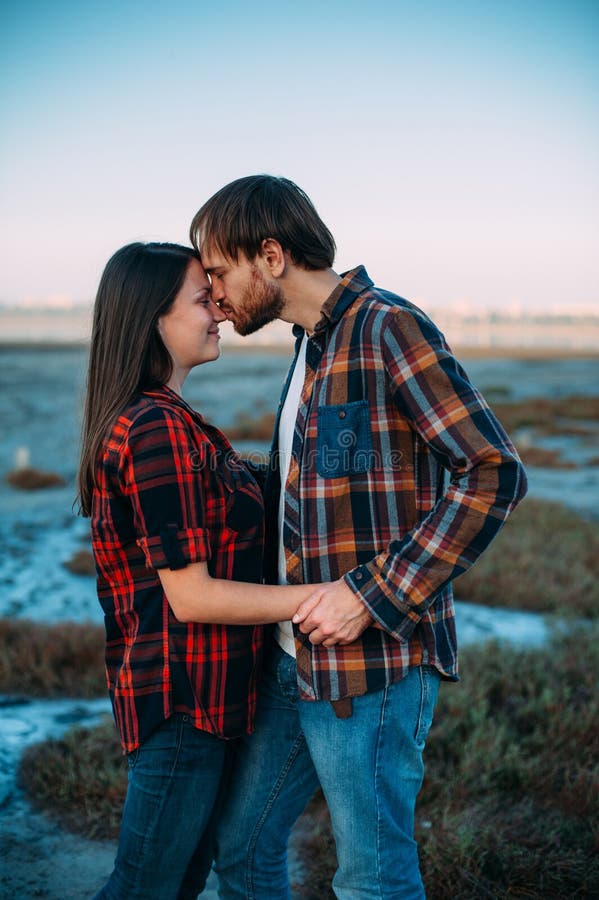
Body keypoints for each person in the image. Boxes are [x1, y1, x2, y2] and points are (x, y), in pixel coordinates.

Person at [190, 176, 528, 899]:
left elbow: (492, 472)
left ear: (271, 255)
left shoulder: (386, 327)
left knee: (372, 879)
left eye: (219, 271)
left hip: (373, 670)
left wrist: (368, 597)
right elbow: (322, 492)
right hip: (290, 663)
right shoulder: (309, 348)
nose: (213, 294)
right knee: (241, 848)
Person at [77, 241, 331, 900]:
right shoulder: (153, 429)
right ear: (150, 318)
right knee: (145, 888)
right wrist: (327, 596)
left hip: (206, 704)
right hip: (183, 704)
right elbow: (190, 597)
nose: (218, 308)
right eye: (201, 297)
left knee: (176, 882)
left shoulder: (176, 424)